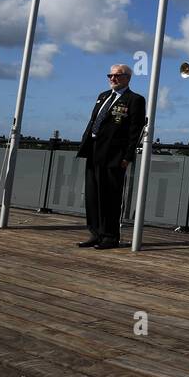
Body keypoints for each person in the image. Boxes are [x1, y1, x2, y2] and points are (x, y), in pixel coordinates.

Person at [76, 64, 146, 250]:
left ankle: (110, 236)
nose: (112, 78)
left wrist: (128, 156)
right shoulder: (103, 96)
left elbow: (135, 131)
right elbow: (93, 122)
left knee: (110, 196)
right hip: (94, 150)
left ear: (127, 78)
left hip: (114, 155)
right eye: (110, 75)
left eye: (117, 75)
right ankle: (95, 233)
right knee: (92, 196)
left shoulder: (135, 100)